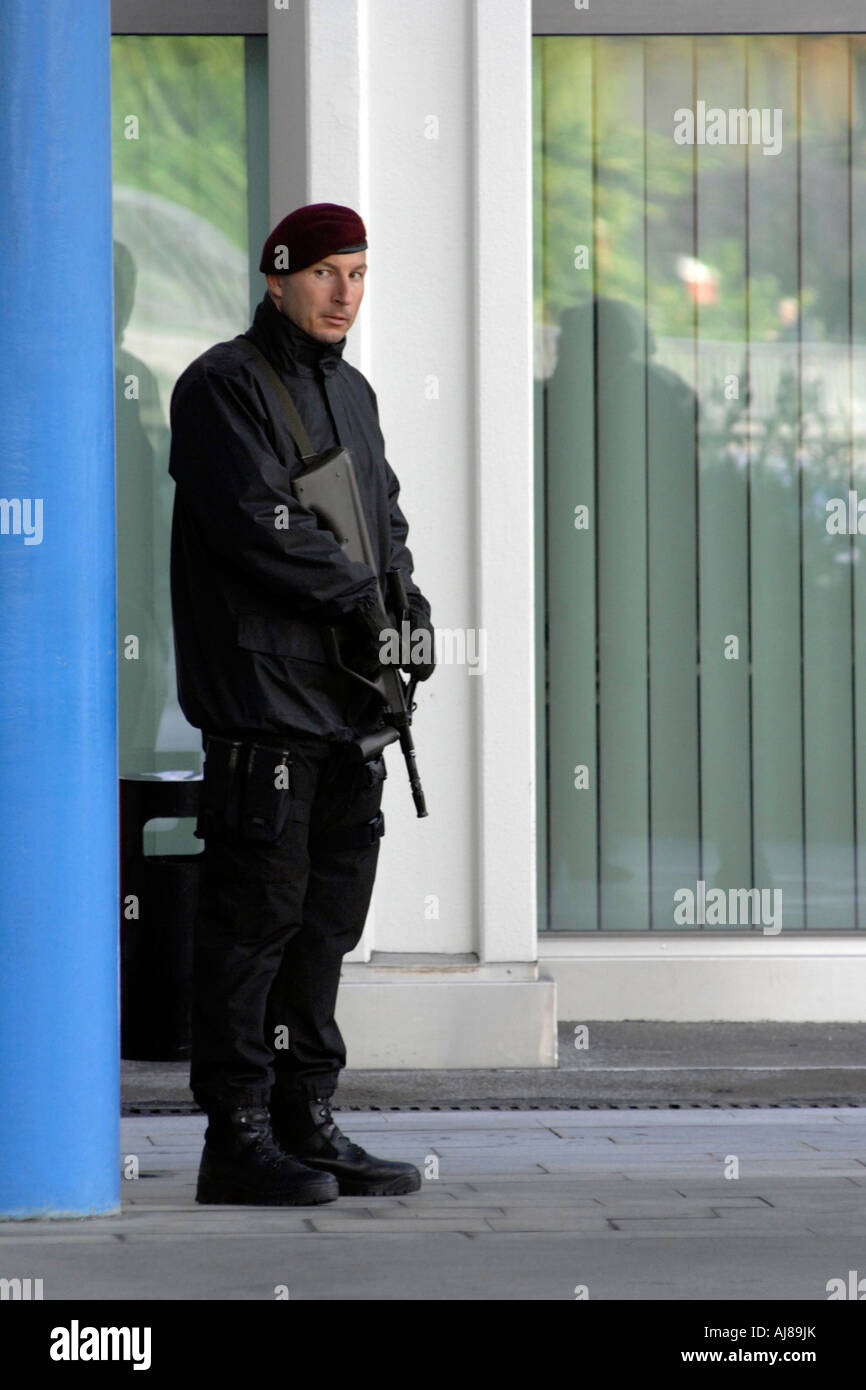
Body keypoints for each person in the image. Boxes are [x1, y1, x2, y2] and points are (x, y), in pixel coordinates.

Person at [168, 203, 435, 1206]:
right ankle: (235, 1136)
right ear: (276, 277)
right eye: (325, 273)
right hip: (264, 707)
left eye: (358, 273)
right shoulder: (221, 386)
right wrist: (367, 601)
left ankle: (302, 1118)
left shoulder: (352, 393)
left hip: (347, 711)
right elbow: (258, 526)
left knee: (325, 923)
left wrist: (409, 616)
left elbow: (382, 523)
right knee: (254, 924)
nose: (344, 293)